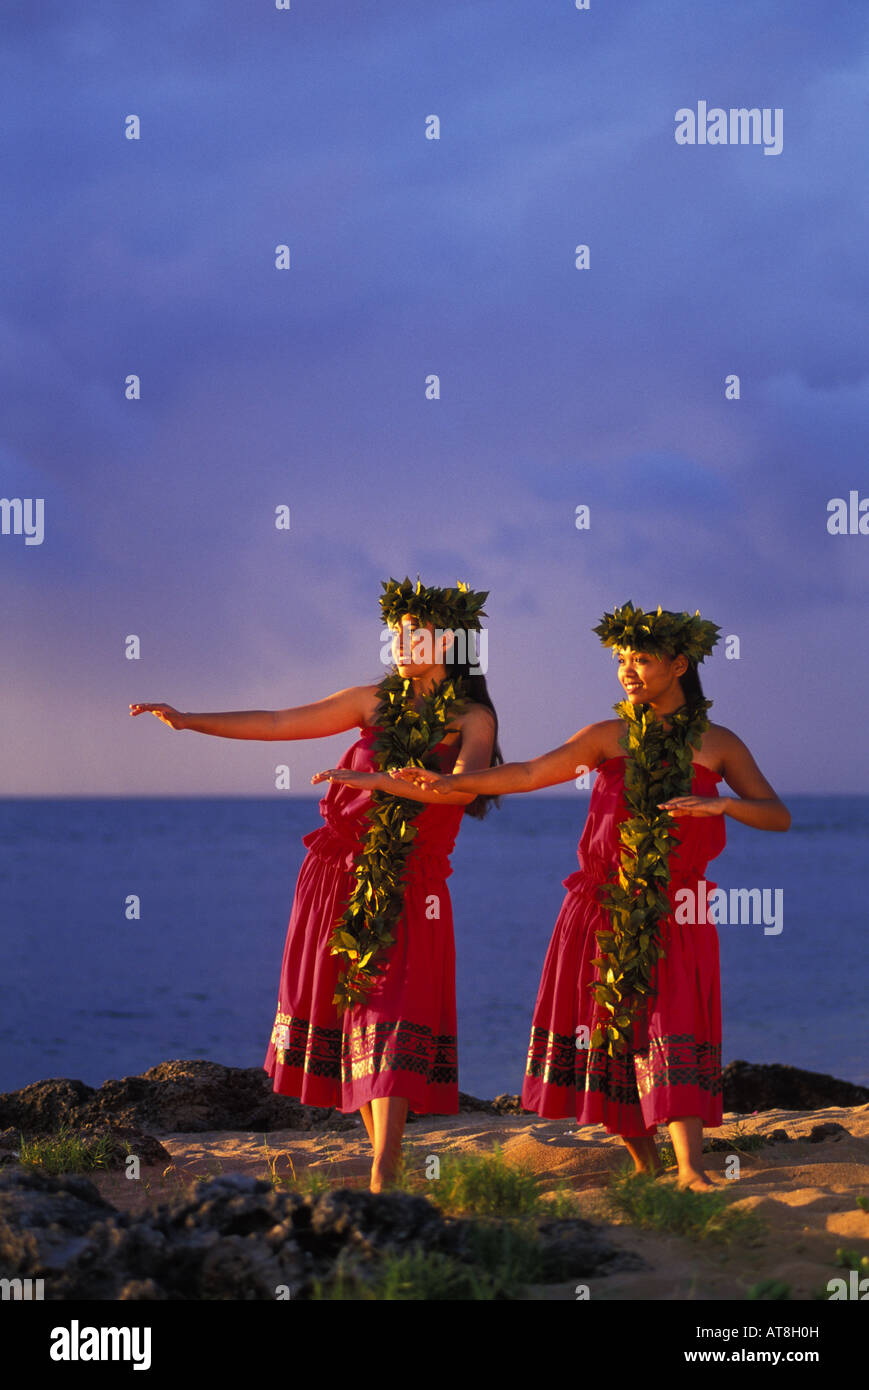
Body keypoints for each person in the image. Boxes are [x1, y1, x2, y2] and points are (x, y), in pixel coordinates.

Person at [393, 601, 790, 1192]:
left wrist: (725, 803)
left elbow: (777, 815)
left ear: (679, 664)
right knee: (610, 1031)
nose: (627, 670)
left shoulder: (718, 743)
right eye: (621, 659)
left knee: (674, 1023)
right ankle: (646, 1164)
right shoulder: (607, 735)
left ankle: (691, 1168)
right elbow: (528, 774)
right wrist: (453, 783)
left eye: (642, 659)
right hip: (600, 904)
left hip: (678, 907)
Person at [130, 577, 500, 1192]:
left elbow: (465, 786)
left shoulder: (471, 718)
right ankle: (383, 1154)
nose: (404, 642)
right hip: (336, 875)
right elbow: (279, 721)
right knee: (354, 1011)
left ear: (455, 642)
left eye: (420, 633)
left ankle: (386, 1162)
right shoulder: (371, 700)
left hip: (414, 880)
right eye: (399, 631)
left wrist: (381, 781)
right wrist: (190, 720)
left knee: (395, 1012)